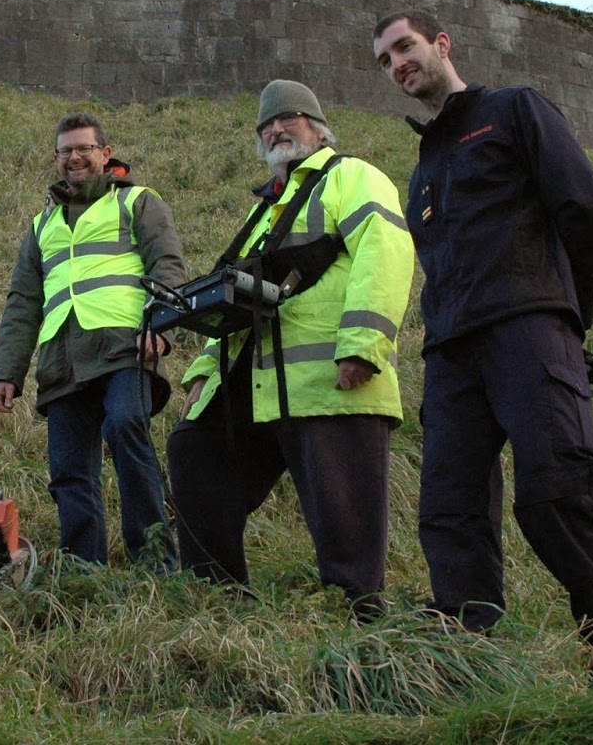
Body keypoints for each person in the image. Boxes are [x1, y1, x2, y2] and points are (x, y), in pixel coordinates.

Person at [373, 9, 593, 673]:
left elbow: (583, 209)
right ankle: (469, 653)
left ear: (442, 42)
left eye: (404, 47)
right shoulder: (425, 164)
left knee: (554, 492)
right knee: (448, 505)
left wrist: (566, 318)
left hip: (529, 328)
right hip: (450, 351)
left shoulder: (515, 110)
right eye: (383, 60)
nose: (397, 63)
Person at [166, 80, 414, 616]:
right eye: (266, 125)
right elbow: (231, 297)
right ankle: (218, 598)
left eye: (289, 119)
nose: (276, 129)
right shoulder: (265, 212)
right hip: (255, 381)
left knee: (344, 518)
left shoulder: (352, 176)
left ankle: (359, 624)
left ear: (318, 128)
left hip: (330, 378)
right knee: (194, 450)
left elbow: (387, 249)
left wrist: (364, 345)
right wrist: (205, 373)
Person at [0, 112, 184, 569]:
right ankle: (84, 570)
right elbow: (23, 302)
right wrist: (7, 373)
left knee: (124, 427)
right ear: (56, 158)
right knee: (69, 470)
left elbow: (168, 267)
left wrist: (161, 327)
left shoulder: (137, 202)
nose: (74, 157)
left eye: (84, 148)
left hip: (124, 349)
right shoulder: (41, 226)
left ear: (105, 154)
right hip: (61, 360)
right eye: (65, 151)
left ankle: (155, 560)